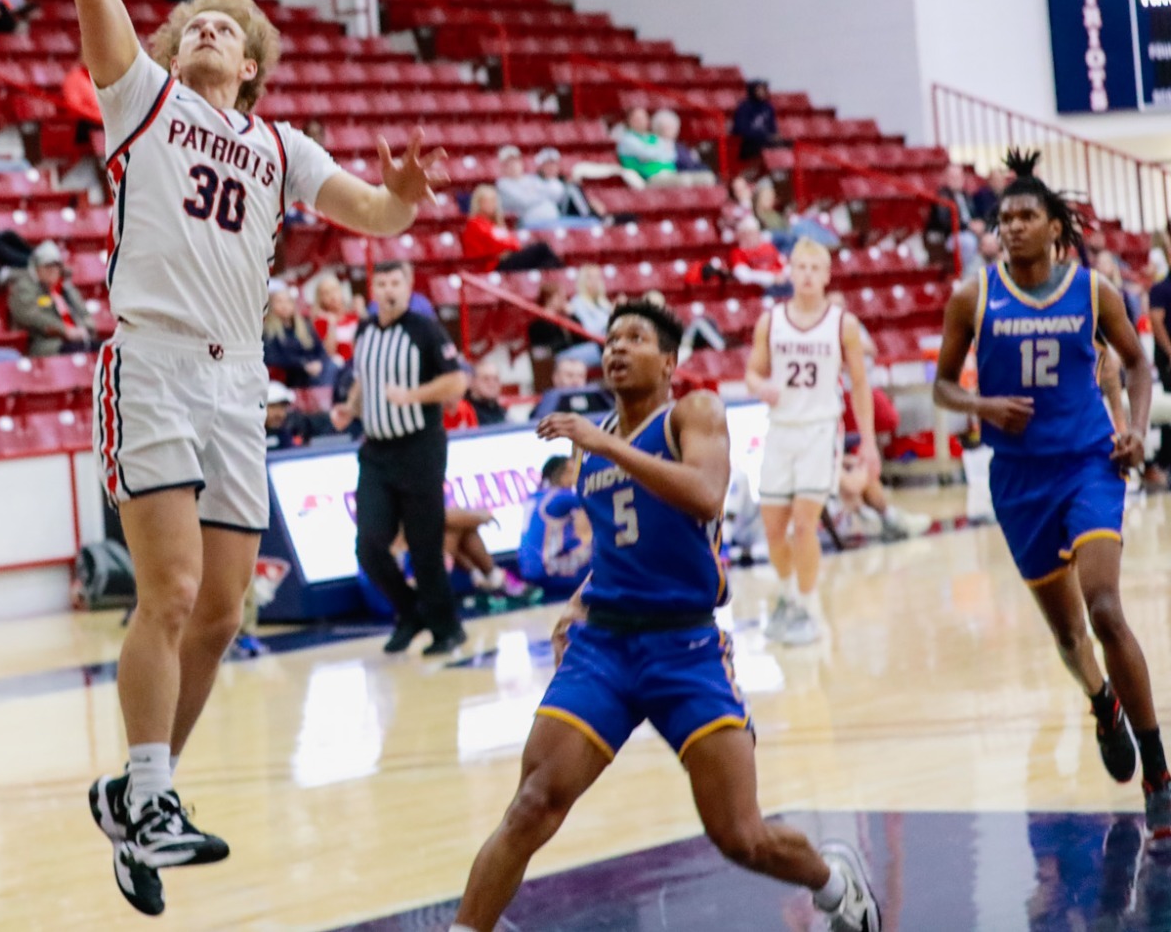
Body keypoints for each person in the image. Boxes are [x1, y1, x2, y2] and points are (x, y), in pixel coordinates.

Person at [68, 0, 452, 916]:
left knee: (226, 612)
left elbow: (377, 224)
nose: (204, 28)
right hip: (152, 358)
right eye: (194, 19)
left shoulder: (280, 145)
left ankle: (140, 794)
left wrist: (402, 197)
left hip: (241, 378)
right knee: (171, 585)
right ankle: (145, 791)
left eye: (225, 27)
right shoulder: (139, 97)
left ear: (253, 65)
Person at [449, 299, 882, 932]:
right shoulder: (596, 450)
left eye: (634, 338)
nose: (616, 348)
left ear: (669, 362)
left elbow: (704, 496)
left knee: (741, 836)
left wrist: (606, 446)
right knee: (532, 804)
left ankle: (835, 884)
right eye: (610, 339)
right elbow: (621, 548)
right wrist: (577, 603)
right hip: (605, 648)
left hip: (685, 649)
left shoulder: (691, 413)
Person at [932, 149, 1169, 835]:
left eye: (1026, 215)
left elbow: (1136, 360)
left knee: (1104, 606)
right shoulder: (972, 295)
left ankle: (1159, 769)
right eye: (1004, 216)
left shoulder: (1092, 289)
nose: (1012, 225)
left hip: (1089, 465)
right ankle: (1103, 703)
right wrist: (982, 407)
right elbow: (943, 384)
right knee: (1067, 630)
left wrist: (1134, 433)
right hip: (1018, 478)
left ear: (1054, 226)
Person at [330, 260, 469, 656]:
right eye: (383, 283)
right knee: (369, 546)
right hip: (375, 451)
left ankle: (447, 627)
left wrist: (413, 396)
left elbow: (457, 382)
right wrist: (350, 408)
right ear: (373, 290)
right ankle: (409, 612)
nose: (389, 290)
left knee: (425, 546)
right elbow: (363, 379)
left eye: (396, 282)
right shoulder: (365, 330)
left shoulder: (424, 330)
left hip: (420, 447)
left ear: (408, 288)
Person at [745, 240, 877, 646]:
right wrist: (761, 386)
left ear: (826, 275)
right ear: (789, 272)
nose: (805, 274)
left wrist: (868, 442)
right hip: (781, 428)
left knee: (804, 525)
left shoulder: (843, 324)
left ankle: (808, 603)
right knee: (772, 528)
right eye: (799, 267)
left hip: (821, 429)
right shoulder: (770, 321)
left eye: (813, 268)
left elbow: (858, 383)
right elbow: (751, 372)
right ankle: (788, 597)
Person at [516, 455, 591, 598]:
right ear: (562, 475)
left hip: (527, 570)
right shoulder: (561, 497)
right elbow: (596, 505)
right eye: (573, 472)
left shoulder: (534, 496)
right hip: (548, 569)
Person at [9, 240, 93, 357]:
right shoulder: (24, 287)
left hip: (80, 339)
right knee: (81, 352)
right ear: (37, 268)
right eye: (48, 266)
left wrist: (85, 327)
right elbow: (30, 315)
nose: (53, 270)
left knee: (108, 350)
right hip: (47, 343)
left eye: (56, 266)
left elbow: (83, 312)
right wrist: (65, 331)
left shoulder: (66, 287)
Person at [462, 184, 566, 273]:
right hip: (492, 265)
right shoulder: (475, 224)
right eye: (488, 201)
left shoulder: (494, 224)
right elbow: (495, 245)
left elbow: (514, 243)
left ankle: (556, 280)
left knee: (545, 262)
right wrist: (506, 248)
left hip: (506, 259)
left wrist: (507, 248)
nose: (493, 204)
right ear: (479, 204)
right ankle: (561, 276)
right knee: (542, 249)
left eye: (494, 201)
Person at [262, 281, 334, 388]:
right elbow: (272, 357)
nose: (284, 306)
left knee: (333, 366)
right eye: (279, 302)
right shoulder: (268, 331)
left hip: (314, 370)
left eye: (287, 302)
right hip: (292, 375)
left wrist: (318, 363)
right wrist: (303, 365)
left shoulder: (305, 326)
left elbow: (320, 350)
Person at [652, 109, 715, 185]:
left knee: (708, 177)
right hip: (665, 175)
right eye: (666, 127)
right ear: (658, 128)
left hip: (686, 171)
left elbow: (690, 163)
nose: (670, 130)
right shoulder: (652, 143)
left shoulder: (680, 147)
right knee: (684, 179)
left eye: (672, 127)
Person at [729, 217, 789, 296]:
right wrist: (772, 278)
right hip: (761, 290)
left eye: (755, 233)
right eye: (748, 234)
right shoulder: (737, 253)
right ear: (741, 236)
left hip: (783, 284)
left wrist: (784, 276)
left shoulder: (769, 247)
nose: (753, 236)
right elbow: (743, 275)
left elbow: (784, 266)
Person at [614, 105, 674, 183]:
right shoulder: (627, 140)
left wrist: (654, 154)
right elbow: (647, 154)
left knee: (692, 179)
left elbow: (671, 155)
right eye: (637, 119)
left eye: (643, 118)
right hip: (648, 178)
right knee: (685, 181)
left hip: (668, 173)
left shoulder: (653, 137)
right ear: (629, 120)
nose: (641, 121)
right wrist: (660, 151)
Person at [263, 382, 330, 451]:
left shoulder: (285, 436)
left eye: (282, 408)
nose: (279, 414)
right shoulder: (253, 438)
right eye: (273, 407)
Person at [310, 274, 360, 364]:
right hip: (341, 368)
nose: (332, 296)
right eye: (326, 293)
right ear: (321, 299)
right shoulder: (320, 322)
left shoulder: (354, 315)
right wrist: (331, 325)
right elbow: (328, 353)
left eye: (334, 290)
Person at [731, 79, 780, 159]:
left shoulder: (768, 107)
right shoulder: (744, 107)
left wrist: (774, 136)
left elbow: (772, 127)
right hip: (748, 143)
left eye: (763, 90)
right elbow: (741, 130)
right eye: (759, 90)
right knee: (766, 145)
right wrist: (764, 135)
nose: (762, 92)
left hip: (766, 140)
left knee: (786, 144)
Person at [466, 356, 510, 426]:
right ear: (472, 382)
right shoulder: (466, 412)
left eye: (496, 379)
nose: (492, 384)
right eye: (485, 379)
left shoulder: (501, 411)